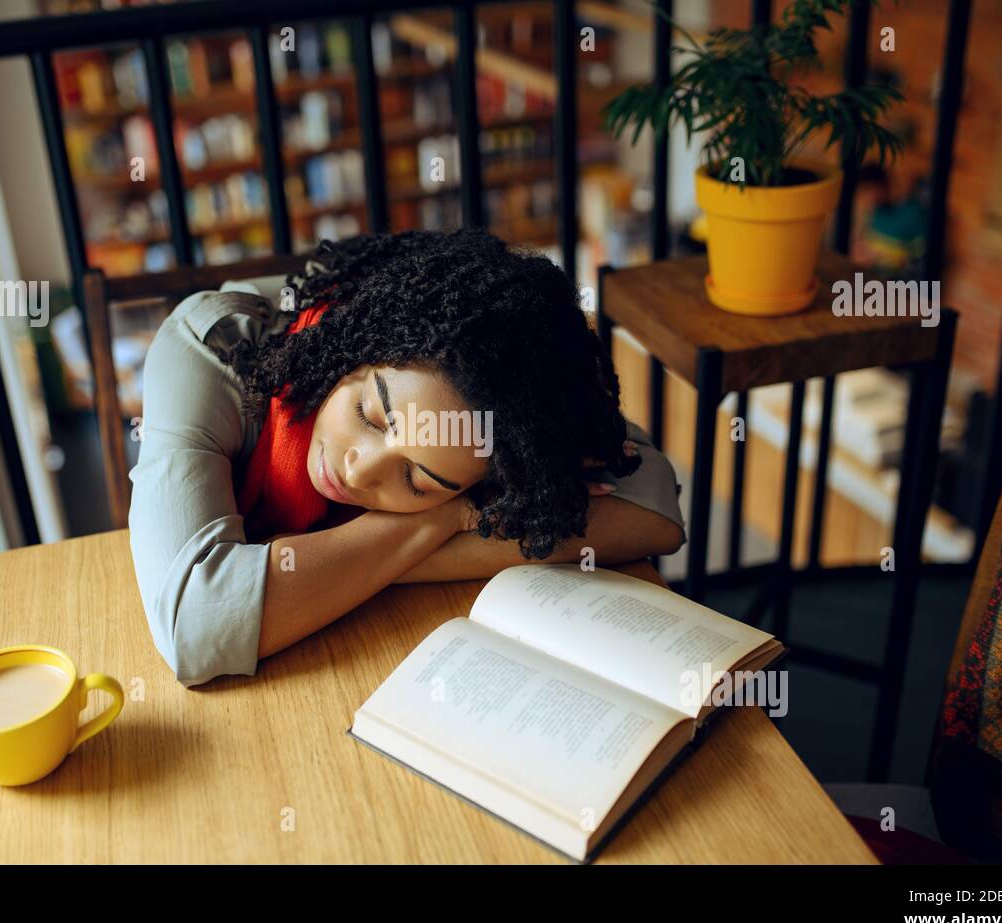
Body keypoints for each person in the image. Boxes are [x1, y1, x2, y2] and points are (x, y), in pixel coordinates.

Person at [128, 228, 687, 687]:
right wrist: (448, 518)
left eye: (418, 480)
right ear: (361, 345)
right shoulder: (210, 349)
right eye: (370, 414)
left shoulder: (503, 393)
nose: (357, 468)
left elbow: (654, 505)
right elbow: (194, 629)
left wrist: (327, 569)